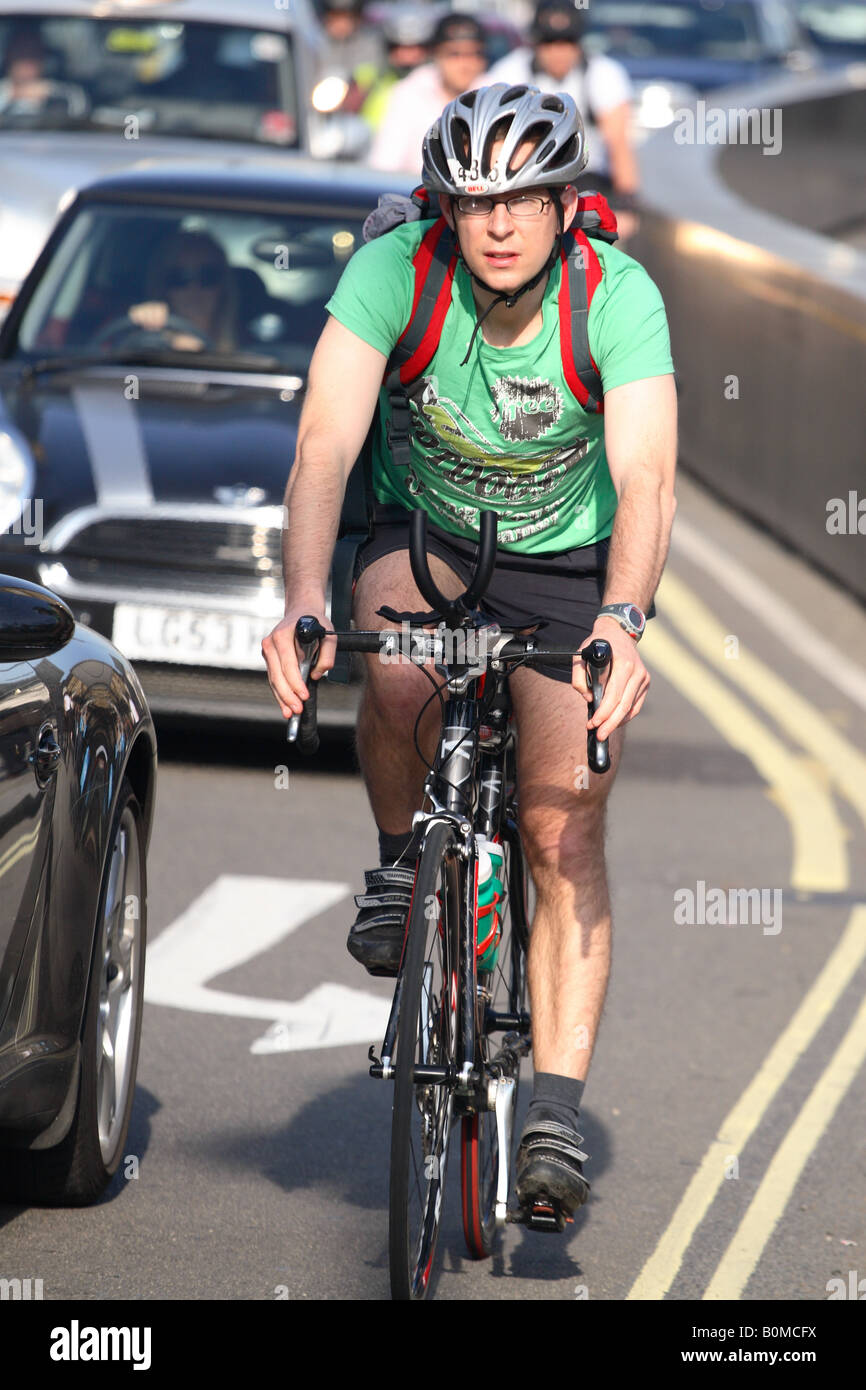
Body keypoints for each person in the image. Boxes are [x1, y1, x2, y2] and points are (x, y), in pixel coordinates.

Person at [262, 83, 676, 1220]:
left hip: (567, 567)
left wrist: (621, 620)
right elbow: (323, 440)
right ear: (444, 207)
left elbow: (644, 474)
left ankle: (548, 1114)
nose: (497, 225)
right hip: (426, 537)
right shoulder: (394, 270)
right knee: (393, 664)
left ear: (562, 205)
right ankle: (403, 861)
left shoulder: (615, 296)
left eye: (522, 202)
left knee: (558, 823)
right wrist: (303, 595)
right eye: (474, 202)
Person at [487, 1, 639, 233]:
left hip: (589, 181)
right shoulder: (508, 74)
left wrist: (627, 203)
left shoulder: (604, 73)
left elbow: (618, 142)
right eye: (549, 42)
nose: (559, 52)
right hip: (524, 182)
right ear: (535, 43)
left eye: (567, 42)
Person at [367, 12, 487, 173]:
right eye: (454, 54)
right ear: (436, 55)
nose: (464, 64)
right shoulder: (409, 93)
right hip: (413, 193)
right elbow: (384, 165)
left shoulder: (494, 96)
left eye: (474, 54)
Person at [121, 230, 237, 352]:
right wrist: (144, 325)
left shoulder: (250, 350)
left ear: (224, 285)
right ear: (163, 287)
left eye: (207, 276)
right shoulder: (146, 339)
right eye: (179, 278)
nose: (193, 288)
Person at [361, 5, 435, 132]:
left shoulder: (439, 82)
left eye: (413, 47)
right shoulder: (371, 78)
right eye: (399, 47)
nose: (406, 55)